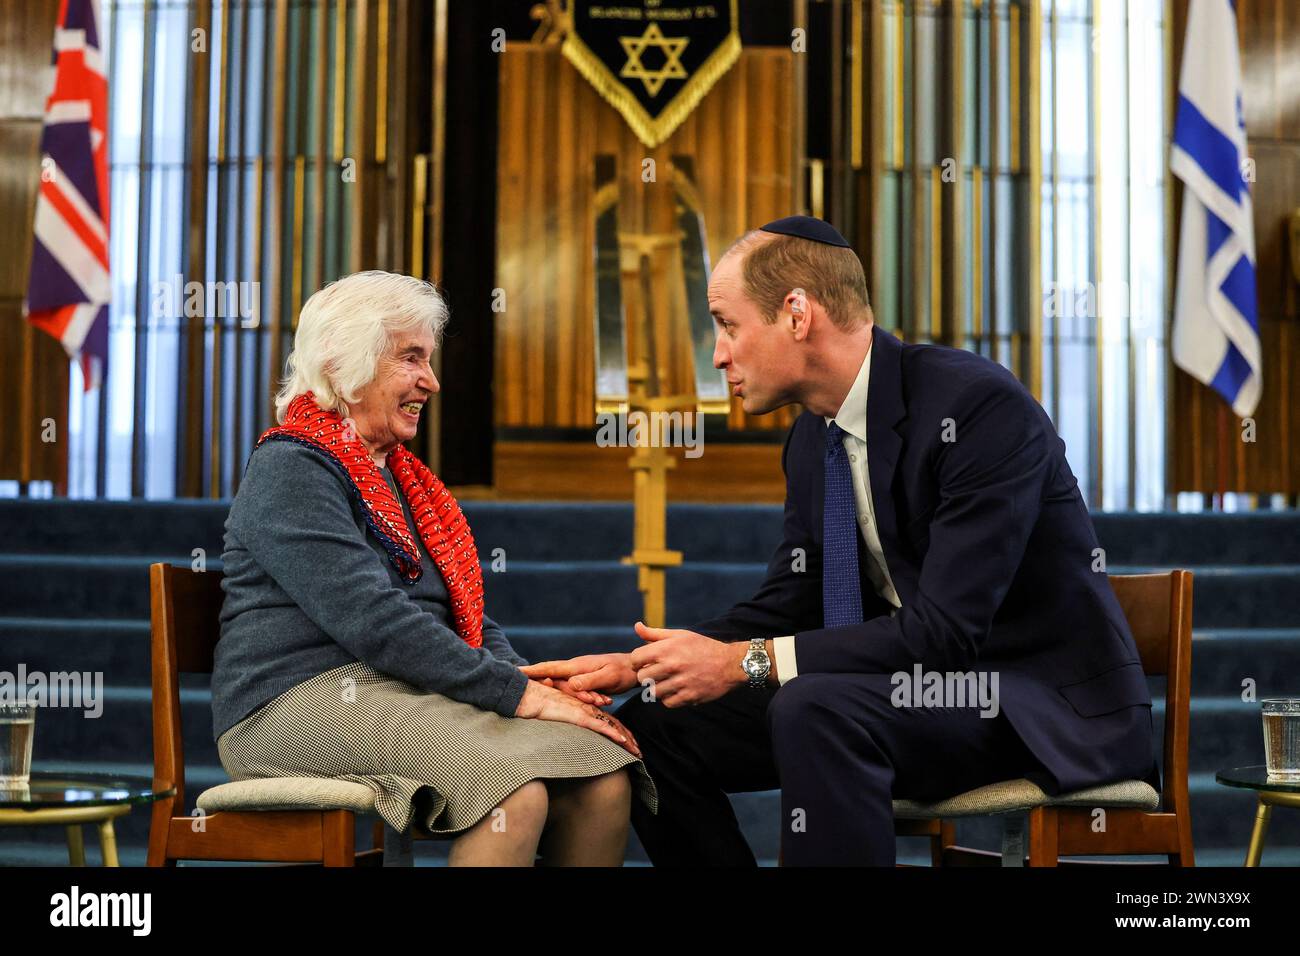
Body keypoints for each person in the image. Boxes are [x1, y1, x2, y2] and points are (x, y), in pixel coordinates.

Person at [523, 216, 1159, 866]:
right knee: (655, 726)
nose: (717, 355)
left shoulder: (975, 407)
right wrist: (643, 666)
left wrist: (744, 663)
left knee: (815, 706)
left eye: (728, 323)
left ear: (796, 314)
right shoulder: (811, 439)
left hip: (1028, 704)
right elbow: (788, 605)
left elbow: (946, 632)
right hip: (899, 696)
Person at [210, 270, 654, 866]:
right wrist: (514, 694)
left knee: (600, 779)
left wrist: (529, 678)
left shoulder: (405, 481)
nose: (432, 381)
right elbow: (377, 622)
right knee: (510, 795)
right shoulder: (291, 467)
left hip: (398, 690)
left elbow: (458, 618)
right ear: (345, 366)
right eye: (411, 358)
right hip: (291, 705)